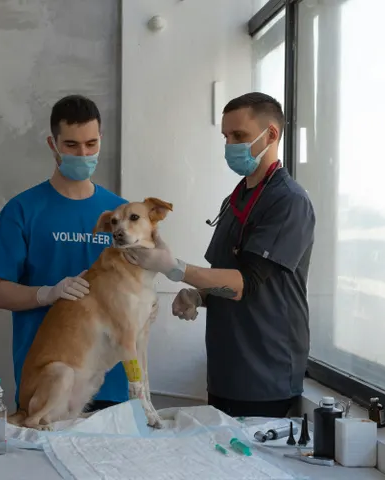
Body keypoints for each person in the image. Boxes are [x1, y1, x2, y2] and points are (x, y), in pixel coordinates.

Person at [126, 92, 316, 418]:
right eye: (226, 137)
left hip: (265, 376)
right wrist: (198, 296)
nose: (230, 146)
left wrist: (174, 268)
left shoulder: (289, 202)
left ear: (270, 134)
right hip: (224, 374)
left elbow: (247, 282)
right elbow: (224, 273)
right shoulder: (235, 200)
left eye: (239, 136)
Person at [0, 94, 129, 412]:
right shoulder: (22, 210)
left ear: (101, 140)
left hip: (111, 384)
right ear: (53, 144)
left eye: (91, 144)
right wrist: (46, 294)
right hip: (51, 385)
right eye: (72, 145)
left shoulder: (120, 213)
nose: (83, 153)